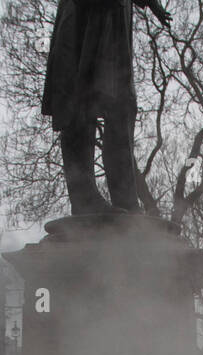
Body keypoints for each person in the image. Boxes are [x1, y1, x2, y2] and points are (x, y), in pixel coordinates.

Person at [42, 0, 172, 214]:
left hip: (114, 15)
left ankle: (126, 201)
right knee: (79, 103)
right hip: (84, 14)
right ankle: (85, 198)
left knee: (122, 106)